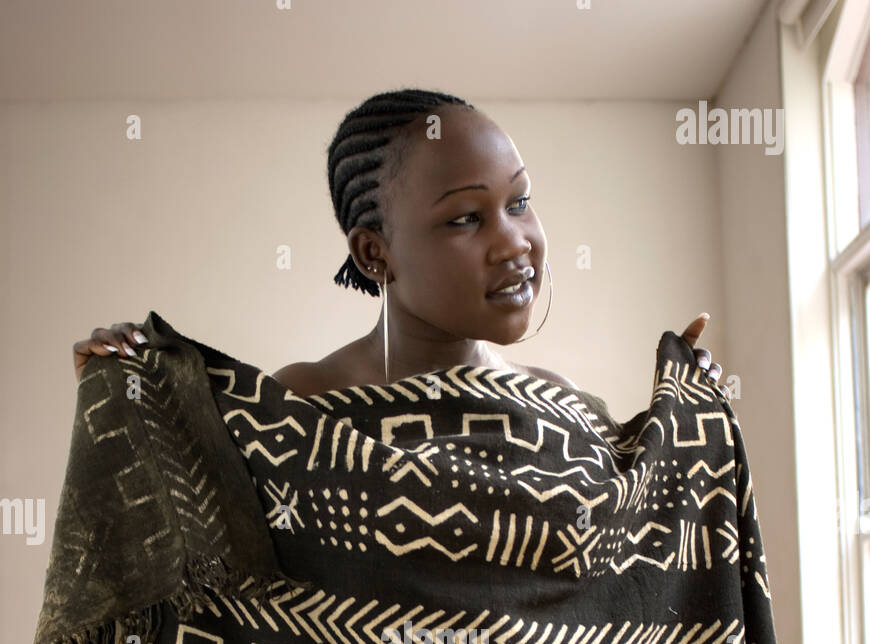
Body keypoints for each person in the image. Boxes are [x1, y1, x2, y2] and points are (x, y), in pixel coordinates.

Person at [72, 88, 725, 399]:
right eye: (466, 219)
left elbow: (638, 596)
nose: (514, 243)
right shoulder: (301, 404)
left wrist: (692, 422)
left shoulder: (568, 409)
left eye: (519, 202)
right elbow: (204, 578)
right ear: (373, 254)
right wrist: (126, 400)